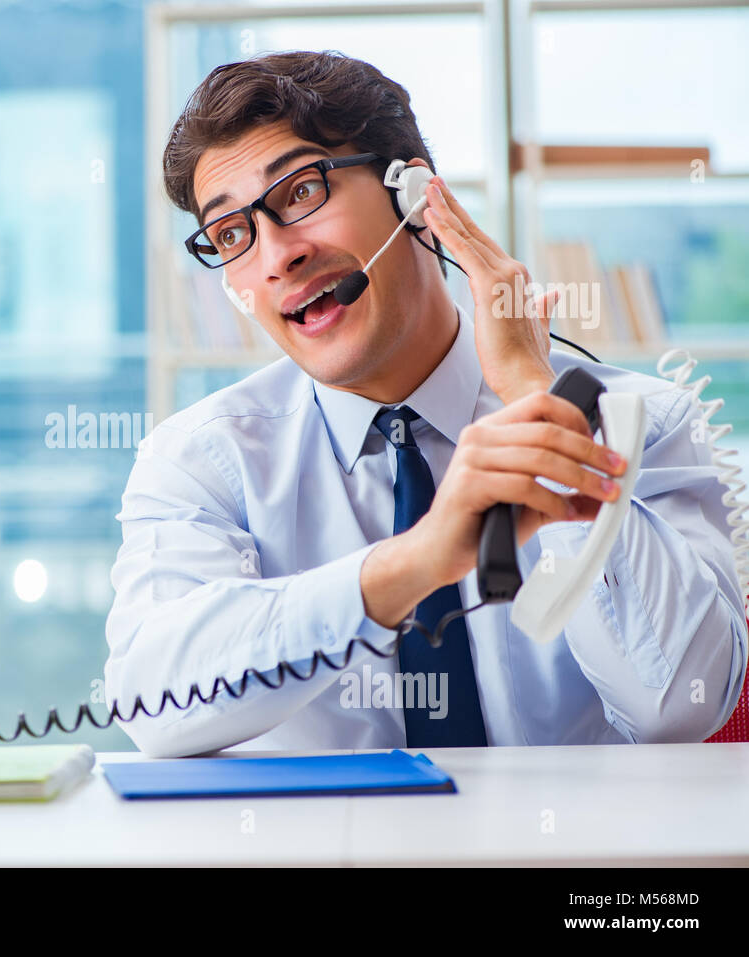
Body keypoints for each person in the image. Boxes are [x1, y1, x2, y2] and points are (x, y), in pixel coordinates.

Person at [103, 50, 747, 757]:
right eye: (231, 234)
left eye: (299, 193)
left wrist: (541, 405)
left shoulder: (640, 420)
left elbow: (677, 703)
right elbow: (155, 703)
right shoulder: (202, 460)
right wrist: (412, 564)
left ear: (415, 196)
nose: (275, 256)